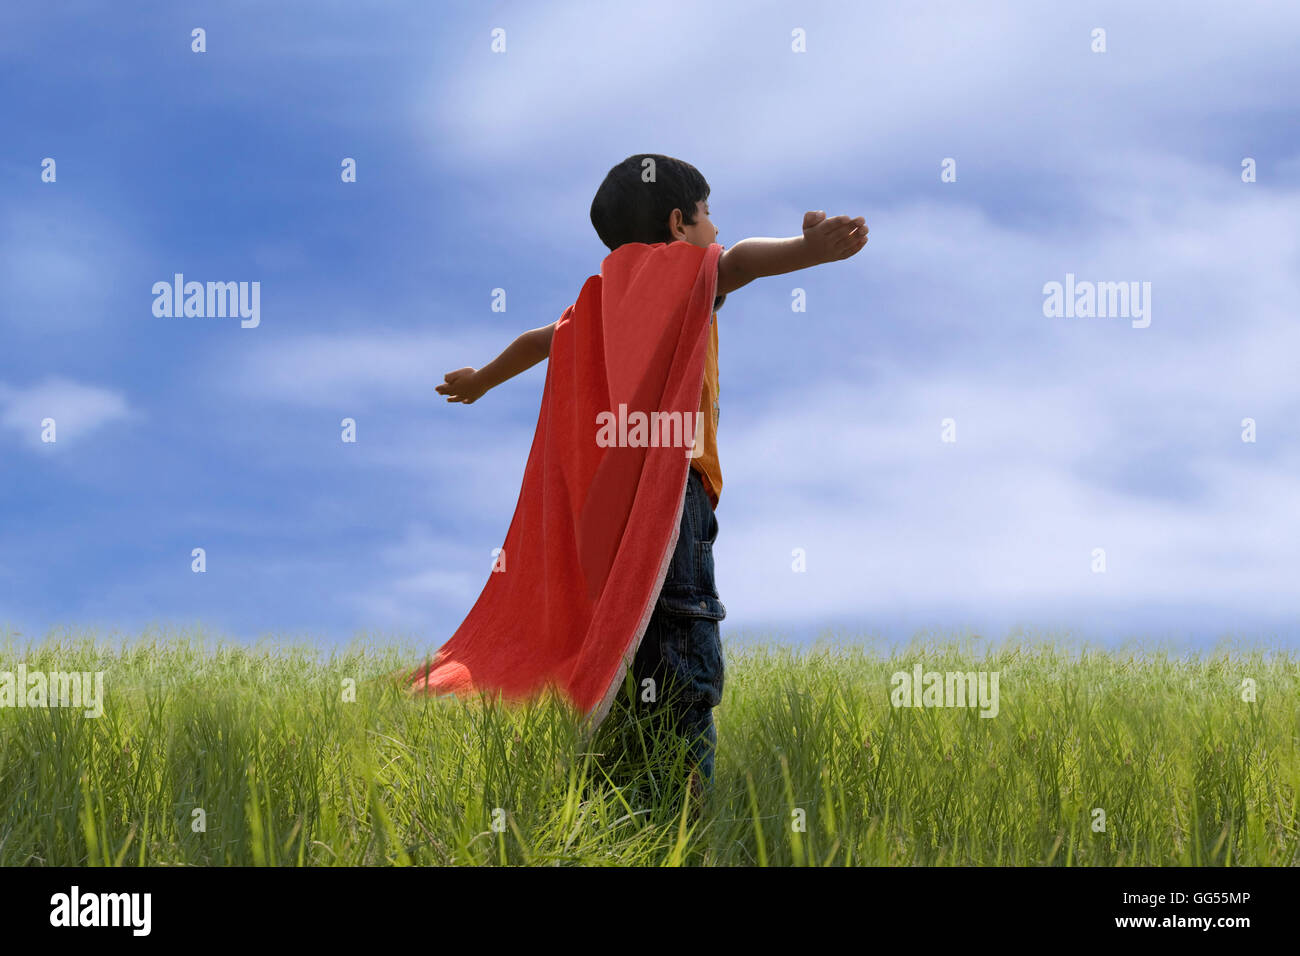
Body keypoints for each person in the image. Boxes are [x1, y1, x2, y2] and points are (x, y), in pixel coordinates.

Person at [435, 153, 867, 809]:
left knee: (630, 648)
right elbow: (741, 261)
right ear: (678, 223)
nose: (714, 231)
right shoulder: (681, 271)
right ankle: (684, 816)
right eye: (708, 216)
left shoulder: (599, 300)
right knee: (685, 644)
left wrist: (480, 380)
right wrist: (808, 251)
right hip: (674, 496)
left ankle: (618, 799)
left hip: (607, 510)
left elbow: (536, 341)